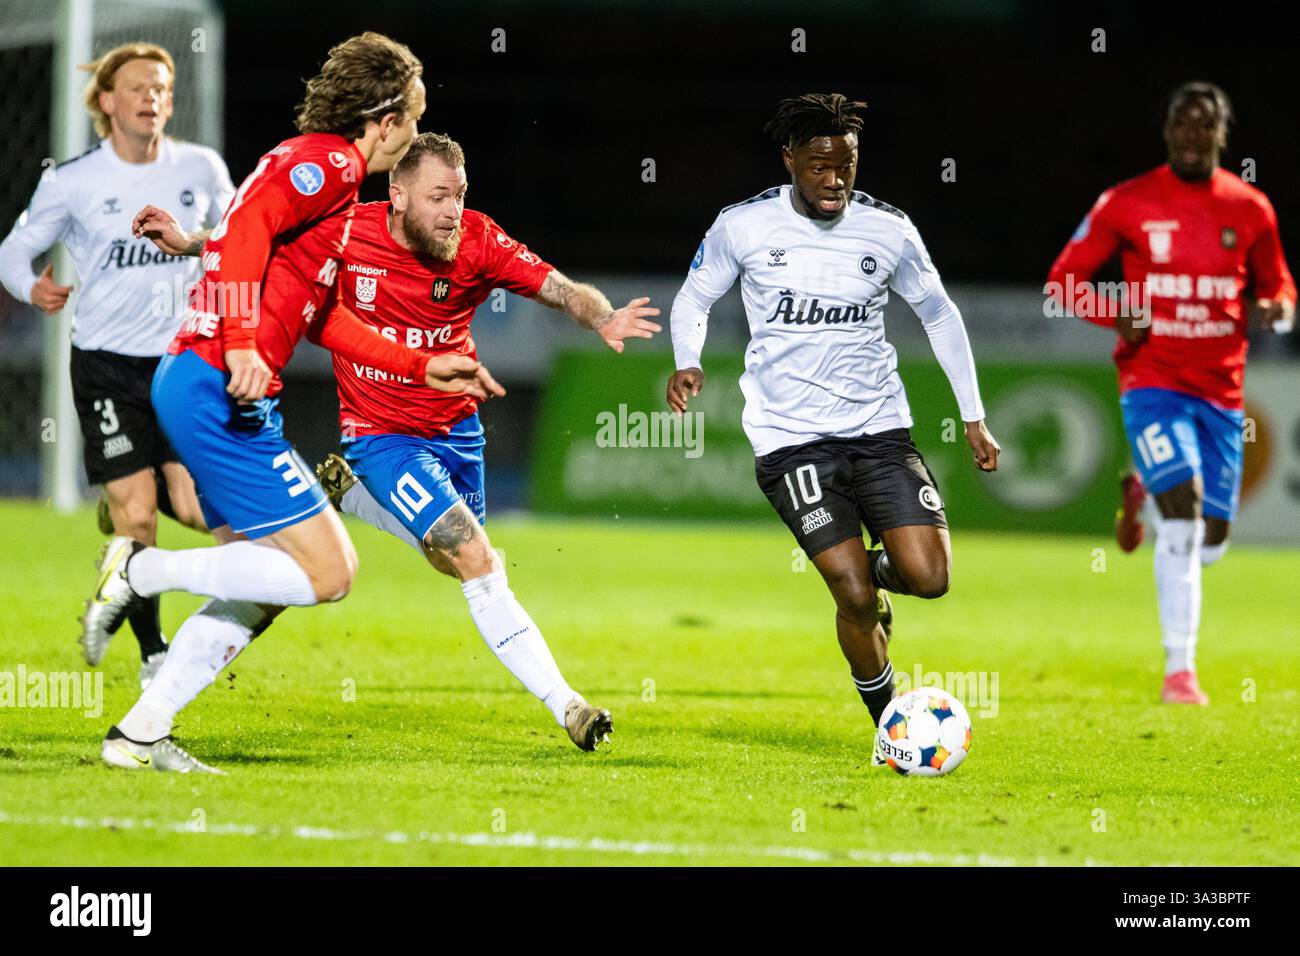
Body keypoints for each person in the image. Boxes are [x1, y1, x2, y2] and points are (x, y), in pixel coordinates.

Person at [91, 32, 498, 773]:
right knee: (331, 572)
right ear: (383, 120)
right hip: (220, 385)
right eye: (413, 116)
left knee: (264, 586)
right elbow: (247, 230)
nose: (411, 133)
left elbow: (310, 308)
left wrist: (417, 364)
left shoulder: (320, 172)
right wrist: (244, 340)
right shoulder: (333, 162)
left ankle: (140, 732)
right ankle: (138, 570)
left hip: (213, 385)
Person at [665, 93, 999, 767]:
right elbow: (696, 297)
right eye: (819, 165)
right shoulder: (744, 226)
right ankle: (891, 727)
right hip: (791, 443)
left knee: (929, 578)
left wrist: (973, 415)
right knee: (850, 593)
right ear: (789, 160)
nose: (834, 179)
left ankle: (883, 572)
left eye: (845, 164)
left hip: (879, 432)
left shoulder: (889, 231)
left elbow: (939, 314)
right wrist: (687, 361)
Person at [313, 131, 660, 750]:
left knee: (450, 558)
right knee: (478, 560)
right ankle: (569, 706)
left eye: (460, 195)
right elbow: (258, 243)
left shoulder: (477, 238)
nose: (453, 211)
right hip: (381, 433)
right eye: (438, 197)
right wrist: (190, 245)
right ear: (396, 195)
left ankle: (354, 501)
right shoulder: (345, 231)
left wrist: (601, 315)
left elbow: (558, 288)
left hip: (456, 428)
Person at [1047, 81, 1295, 705]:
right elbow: (1062, 283)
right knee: (1183, 522)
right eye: (1181, 122)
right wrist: (1115, 314)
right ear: (1166, 131)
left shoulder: (1251, 209)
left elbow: (1283, 290)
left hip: (1221, 393)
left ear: (1222, 133)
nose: (1192, 132)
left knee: (1210, 545)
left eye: (1204, 123)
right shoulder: (1125, 203)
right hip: (1151, 381)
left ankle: (1144, 495)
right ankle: (1180, 672)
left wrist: (1277, 310)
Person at [0, 42, 234, 686]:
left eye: (161, 87)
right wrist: (32, 288)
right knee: (140, 515)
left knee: (197, 509)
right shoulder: (73, 180)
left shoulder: (201, 168)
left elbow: (240, 239)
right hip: (106, 366)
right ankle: (155, 652)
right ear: (107, 102)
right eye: (138, 87)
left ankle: (190, 603)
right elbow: (12, 252)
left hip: (183, 367)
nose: (153, 97)